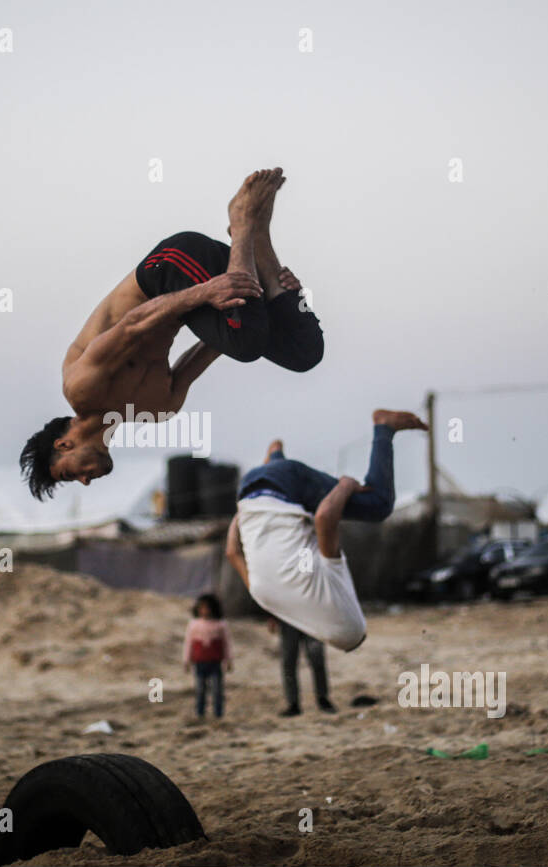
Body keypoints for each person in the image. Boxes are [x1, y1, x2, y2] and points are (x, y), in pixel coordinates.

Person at [21, 168, 325, 499]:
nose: (84, 480)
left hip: (170, 268)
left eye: (69, 473)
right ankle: (257, 244)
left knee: (247, 342)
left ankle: (242, 223)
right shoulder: (157, 409)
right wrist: (270, 303)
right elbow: (212, 345)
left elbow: (132, 325)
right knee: (303, 353)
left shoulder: (81, 388)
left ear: (64, 443)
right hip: (210, 284)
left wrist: (206, 293)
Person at [224, 409, 428, 651]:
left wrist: (345, 486)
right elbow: (232, 551)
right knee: (287, 502)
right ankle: (274, 455)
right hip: (248, 487)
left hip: (287, 484)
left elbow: (324, 517)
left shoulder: (330, 592)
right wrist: (244, 510)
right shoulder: (262, 595)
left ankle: (384, 427)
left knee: (378, 505)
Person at [271, 617, 336, 717]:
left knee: (317, 658)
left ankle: (323, 698)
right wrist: (272, 617)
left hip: (311, 617)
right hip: (288, 618)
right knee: (289, 661)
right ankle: (293, 703)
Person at [182, 593, 233, 719]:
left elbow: (227, 643)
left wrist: (229, 659)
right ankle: (200, 712)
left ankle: (218, 713)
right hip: (200, 662)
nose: (204, 611)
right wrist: (186, 660)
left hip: (215, 662)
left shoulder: (221, 624)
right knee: (200, 690)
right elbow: (188, 643)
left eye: (207, 608)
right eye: (202, 608)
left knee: (217, 690)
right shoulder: (193, 624)